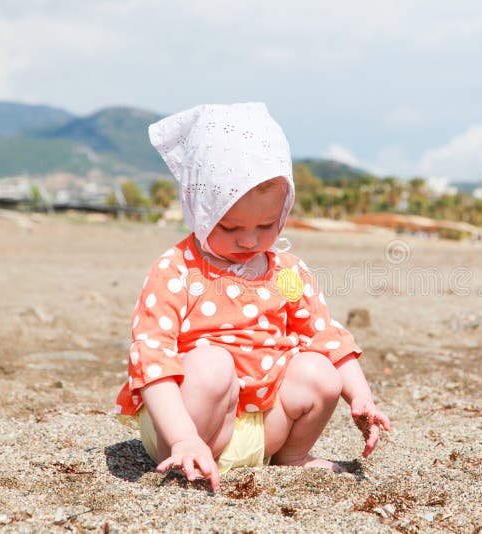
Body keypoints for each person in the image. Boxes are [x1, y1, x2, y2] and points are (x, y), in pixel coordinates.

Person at [114, 102, 390, 491]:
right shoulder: (176, 269)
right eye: (229, 227)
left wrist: (361, 397)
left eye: (266, 225)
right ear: (198, 208)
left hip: (262, 430)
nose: (249, 240)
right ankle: (184, 458)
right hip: (185, 427)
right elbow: (151, 357)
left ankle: (292, 457)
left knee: (318, 370)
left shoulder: (287, 273)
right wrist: (182, 437)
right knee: (212, 365)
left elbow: (325, 336)